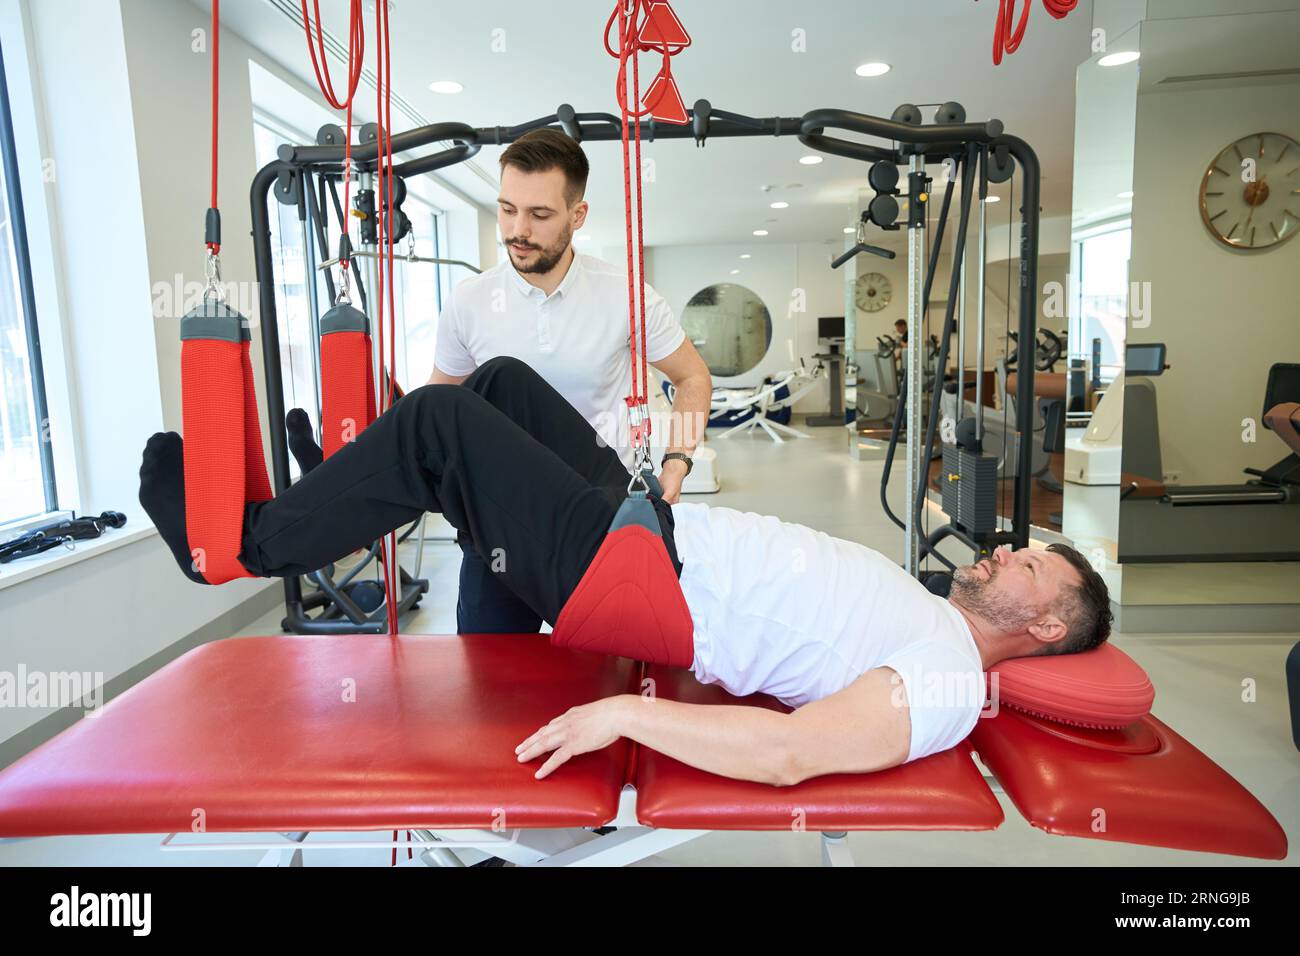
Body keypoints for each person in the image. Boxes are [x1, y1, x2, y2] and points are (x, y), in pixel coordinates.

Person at [139, 357, 1112, 787]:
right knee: (505, 384)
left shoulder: (947, 678)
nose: (998, 551)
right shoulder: (931, 619)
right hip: (656, 532)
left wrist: (625, 713)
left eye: (1025, 563)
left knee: (441, 424)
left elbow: (791, 753)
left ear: (1045, 628)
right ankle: (351, 490)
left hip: (639, 584)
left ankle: (250, 543)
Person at [288, 127, 712, 636]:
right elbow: (437, 403)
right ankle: (335, 491)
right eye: (507, 209)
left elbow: (691, 376)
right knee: (490, 688)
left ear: (577, 217)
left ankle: (320, 507)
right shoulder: (471, 300)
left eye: (539, 215)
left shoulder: (623, 294)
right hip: (496, 525)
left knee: (596, 679)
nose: (517, 229)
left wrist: (677, 461)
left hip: (590, 510)